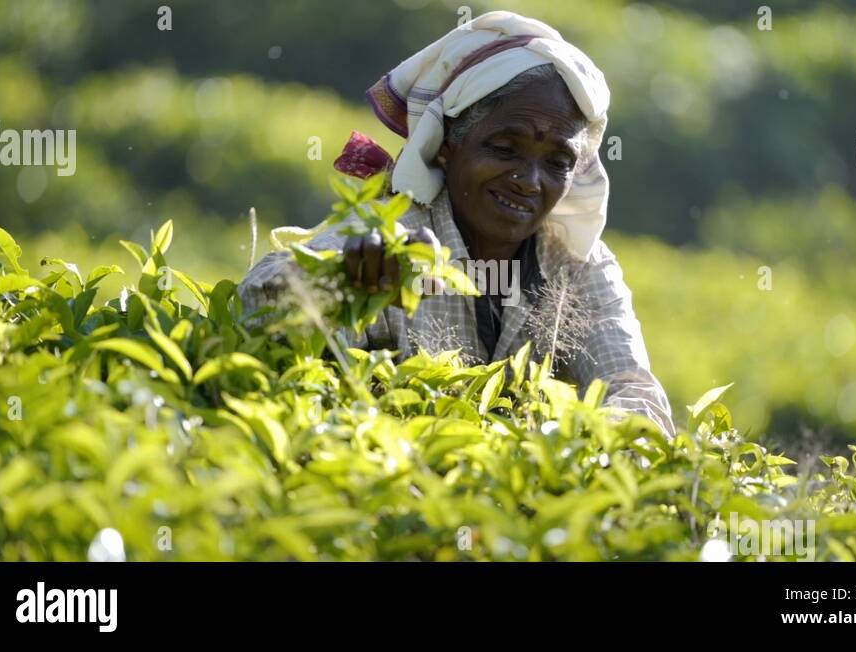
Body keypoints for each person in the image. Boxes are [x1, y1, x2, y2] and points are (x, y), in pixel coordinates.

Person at [238, 11, 675, 437]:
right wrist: (338, 285)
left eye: (557, 162)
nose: (528, 181)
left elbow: (631, 387)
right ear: (448, 143)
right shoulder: (391, 236)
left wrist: (613, 439)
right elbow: (263, 307)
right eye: (504, 149)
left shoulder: (576, 263)